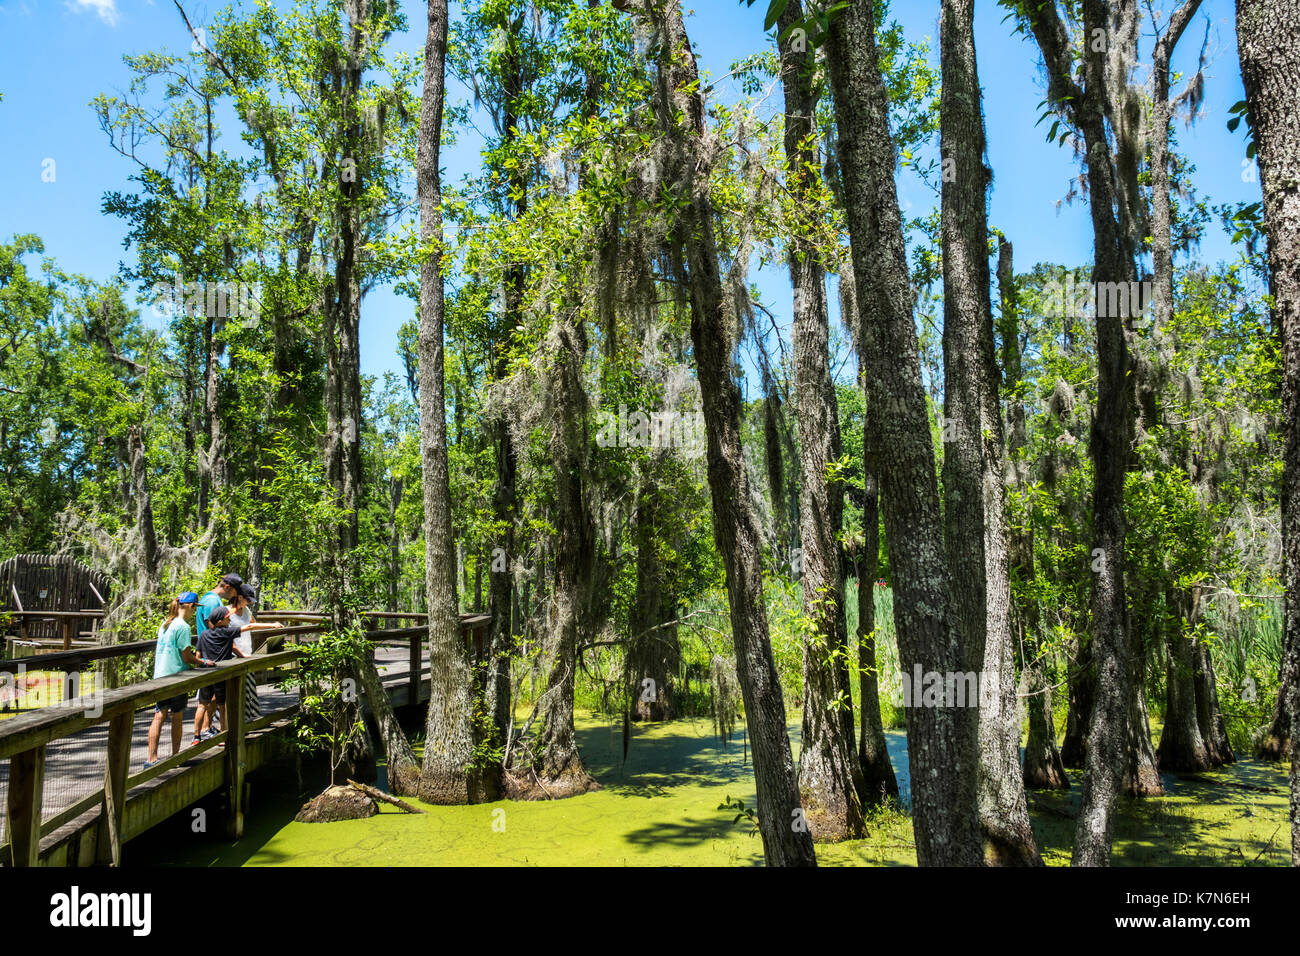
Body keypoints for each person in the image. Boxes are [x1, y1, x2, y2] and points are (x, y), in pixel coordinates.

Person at [192, 605, 279, 744]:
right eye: (227, 618)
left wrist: (203, 664)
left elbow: (198, 655)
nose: (230, 620)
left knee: (202, 705)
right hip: (221, 675)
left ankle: (196, 737)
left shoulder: (203, 634)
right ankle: (223, 736)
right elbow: (249, 627)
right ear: (220, 622)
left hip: (206, 675)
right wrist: (272, 625)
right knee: (222, 706)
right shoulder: (226, 632)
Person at [145, 592, 203, 769]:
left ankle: (151, 759)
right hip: (176, 677)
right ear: (190, 606)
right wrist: (202, 661)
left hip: (161, 676)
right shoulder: (183, 627)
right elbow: (186, 657)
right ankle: (176, 757)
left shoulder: (165, 624)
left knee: (159, 715)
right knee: (176, 716)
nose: (194, 611)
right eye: (195, 607)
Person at [227, 583, 280, 724]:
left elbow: (252, 623)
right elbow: (248, 627)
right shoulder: (227, 613)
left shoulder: (246, 612)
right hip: (233, 656)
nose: (249, 603)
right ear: (239, 597)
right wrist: (271, 625)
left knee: (249, 689)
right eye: (248, 600)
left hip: (247, 653)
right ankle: (234, 723)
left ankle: (249, 720)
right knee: (236, 691)